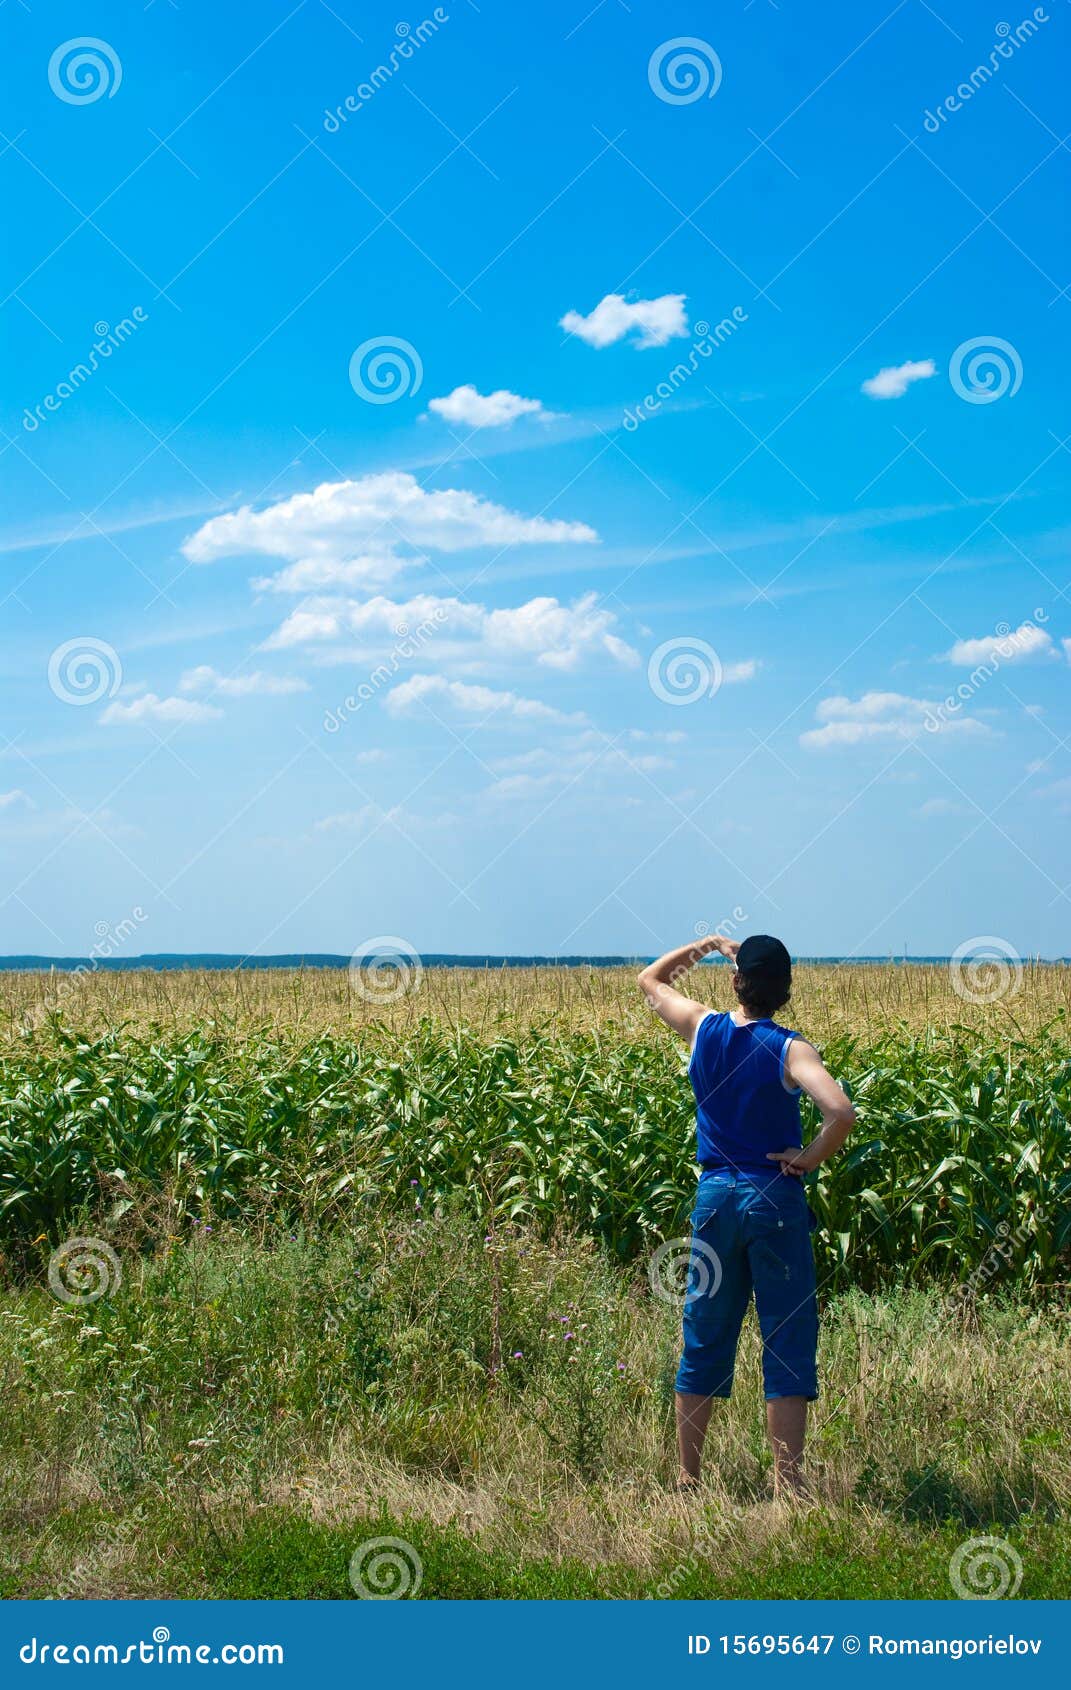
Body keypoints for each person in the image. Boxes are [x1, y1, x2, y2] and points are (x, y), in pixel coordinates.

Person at [637, 933, 856, 1496]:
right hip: (773, 1197)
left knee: (705, 1335)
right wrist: (805, 1160)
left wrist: (708, 945)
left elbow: (650, 981)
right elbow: (840, 1112)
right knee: (785, 1333)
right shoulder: (791, 1049)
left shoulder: (703, 1029)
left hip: (715, 1197)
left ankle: (687, 1480)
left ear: (737, 982)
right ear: (784, 991)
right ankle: (789, 1484)